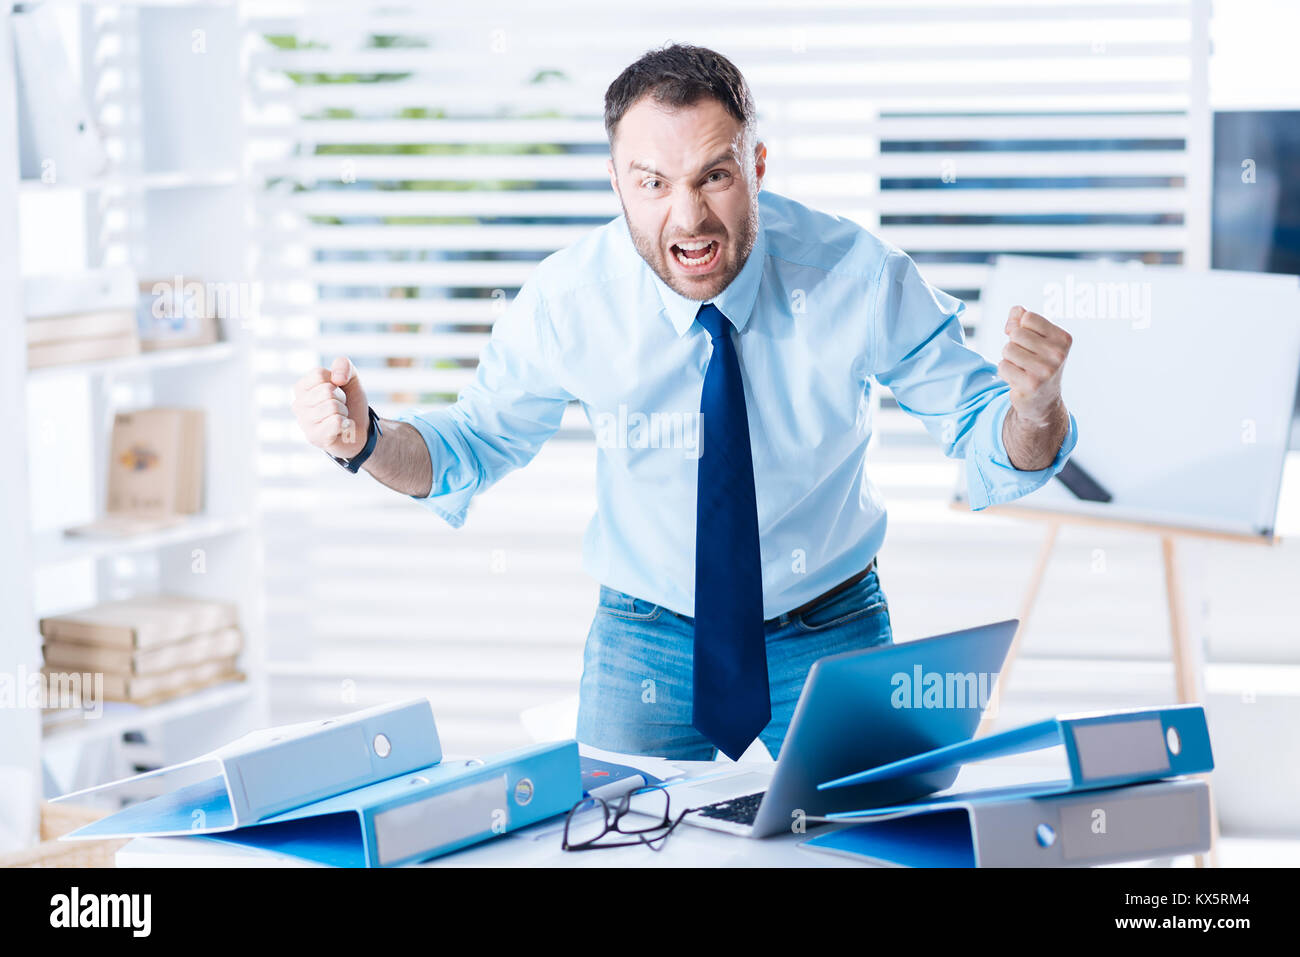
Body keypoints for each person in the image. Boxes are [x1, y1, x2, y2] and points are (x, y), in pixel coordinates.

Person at [292, 43, 1078, 762]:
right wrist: (365, 441)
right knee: (617, 846)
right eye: (653, 183)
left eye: (715, 175)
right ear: (616, 183)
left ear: (758, 166)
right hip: (644, 646)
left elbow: (989, 437)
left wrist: (1037, 408)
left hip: (831, 632)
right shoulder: (571, 300)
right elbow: (469, 445)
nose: (688, 216)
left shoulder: (859, 280)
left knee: (863, 848)